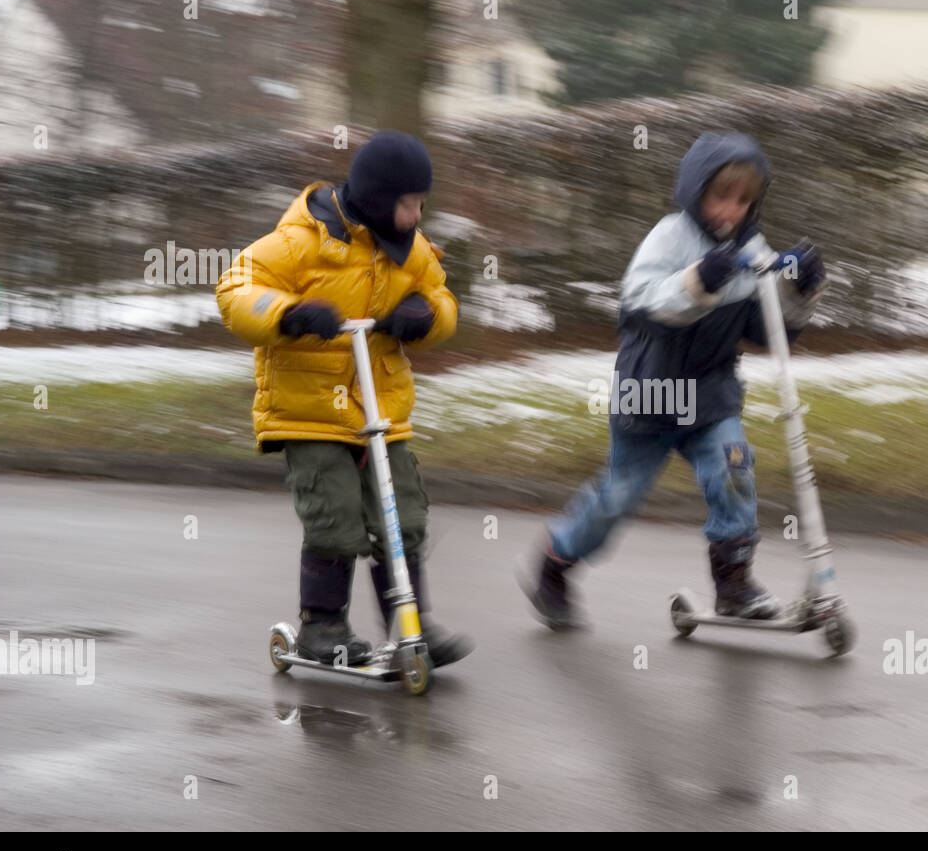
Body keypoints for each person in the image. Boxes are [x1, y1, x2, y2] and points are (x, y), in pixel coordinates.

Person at [521, 131, 827, 629]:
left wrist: (798, 291)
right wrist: (698, 280)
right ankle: (557, 560)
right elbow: (641, 302)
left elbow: (767, 329)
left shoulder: (751, 247)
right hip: (651, 391)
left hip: (710, 393)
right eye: (720, 196)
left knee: (733, 469)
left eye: (743, 200)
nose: (731, 210)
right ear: (695, 191)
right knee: (619, 496)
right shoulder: (669, 235)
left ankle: (734, 583)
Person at [216, 130, 474, 666]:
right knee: (333, 516)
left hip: (381, 410)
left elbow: (442, 298)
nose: (418, 216)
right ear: (379, 200)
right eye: (410, 204)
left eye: (422, 203)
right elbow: (237, 287)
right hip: (309, 412)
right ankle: (322, 626)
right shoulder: (301, 241)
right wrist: (288, 314)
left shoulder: (413, 253)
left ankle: (412, 624)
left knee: (402, 515)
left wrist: (425, 317)